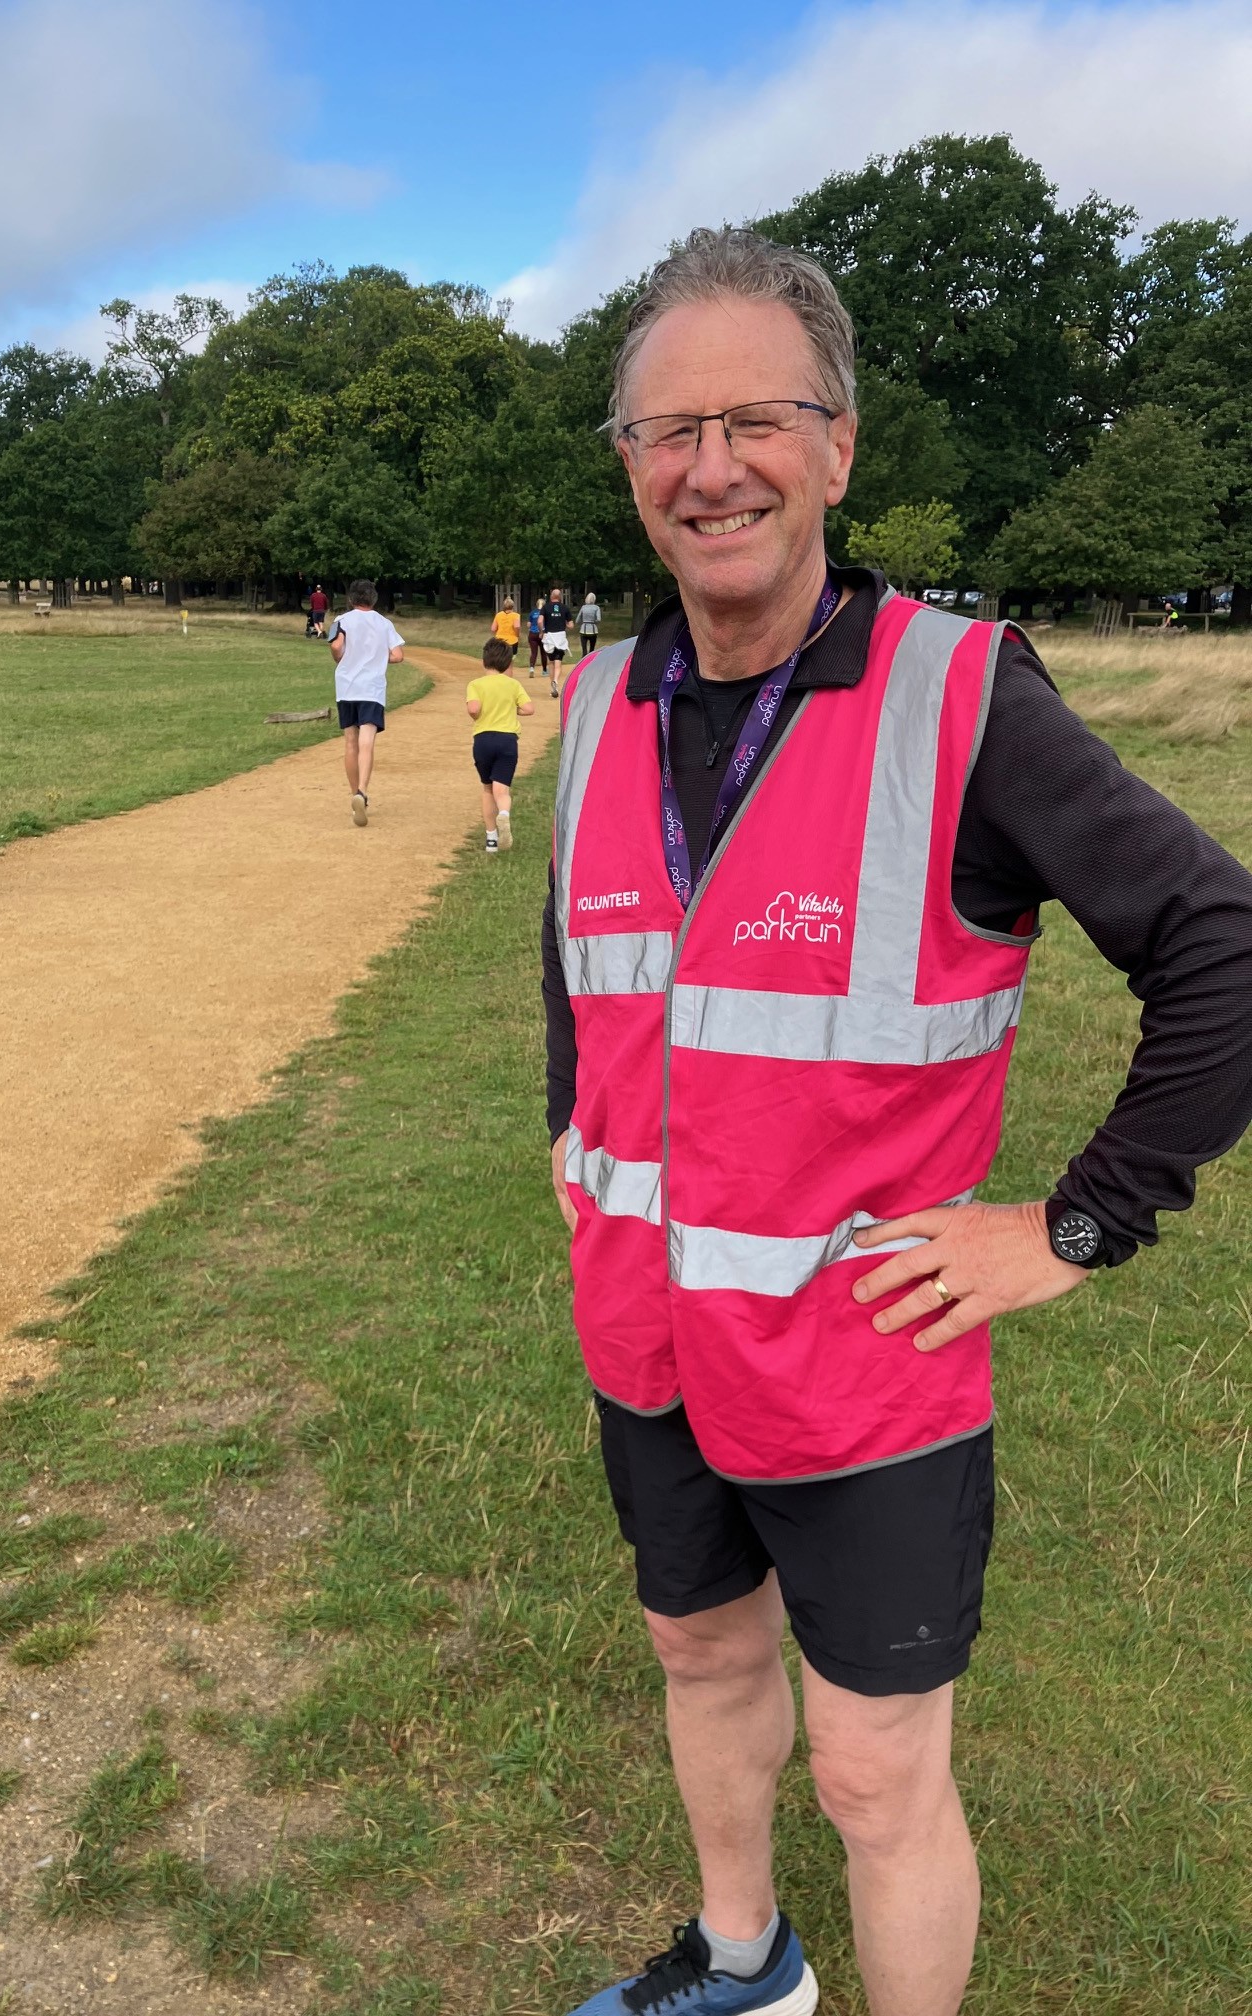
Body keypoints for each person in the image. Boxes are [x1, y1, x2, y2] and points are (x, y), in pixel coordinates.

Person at [543, 228, 1252, 2016]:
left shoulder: (959, 699)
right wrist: (573, 1128)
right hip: (649, 1339)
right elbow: (585, 959)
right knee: (700, 1660)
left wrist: (1073, 1226)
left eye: (757, 419)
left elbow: (1218, 943)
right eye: (667, 430)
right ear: (628, 466)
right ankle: (741, 1967)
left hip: (864, 1366)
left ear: (838, 446)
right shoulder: (595, 702)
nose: (713, 467)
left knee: (872, 1774)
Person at [327, 578, 404, 826]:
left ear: (351, 599)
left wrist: (341, 656)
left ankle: (354, 796)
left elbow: (336, 646)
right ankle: (362, 790)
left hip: (346, 686)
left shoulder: (340, 621)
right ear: (373, 599)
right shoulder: (384, 623)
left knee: (350, 741)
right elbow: (398, 655)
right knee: (367, 741)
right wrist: (378, 658)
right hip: (372, 688)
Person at [465, 637, 535, 852]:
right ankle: (504, 814)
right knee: (501, 790)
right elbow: (529, 709)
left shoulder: (475, 684)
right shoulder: (513, 685)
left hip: (483, 740)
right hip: (507, 741)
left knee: (487, 788)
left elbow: (474, 709)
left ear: (484, 661)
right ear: (507, 664)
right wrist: (510, 709)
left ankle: (491, 839)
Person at [541, 583, 573, 697]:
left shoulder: (546, 607)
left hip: (549, 636)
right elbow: (571, 625)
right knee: (558, 662)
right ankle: (556, 681)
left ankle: (552, 686)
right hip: (560, 637)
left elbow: (540, 621)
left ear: (551, 596)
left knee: (551, 662)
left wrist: (542, 631)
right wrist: (565, 623)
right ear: (560, 597)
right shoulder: (565, 608)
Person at [527, 595, 546, 672]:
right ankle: (544, 670)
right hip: (542, 634)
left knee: (533, 652)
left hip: (532, 634)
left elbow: (528, 624)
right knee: (543, 653)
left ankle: (531, 668)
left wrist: (531, 628)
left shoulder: (532, 612)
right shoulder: (545, 613)